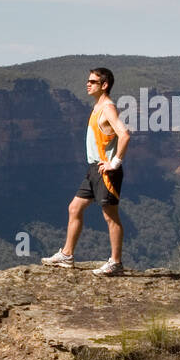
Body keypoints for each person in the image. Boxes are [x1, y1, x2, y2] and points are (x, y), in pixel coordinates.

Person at [41, 66, 130, 275]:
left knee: (111, 216)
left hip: (106, 171)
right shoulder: (97, 106)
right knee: (74, 208)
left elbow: (125, 135)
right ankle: (67, 255)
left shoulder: (108, 108)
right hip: (93, 170)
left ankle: (116, 263)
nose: (87, 84)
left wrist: (114, 163)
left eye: (93, 82)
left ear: (104, 85)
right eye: (88, 81)